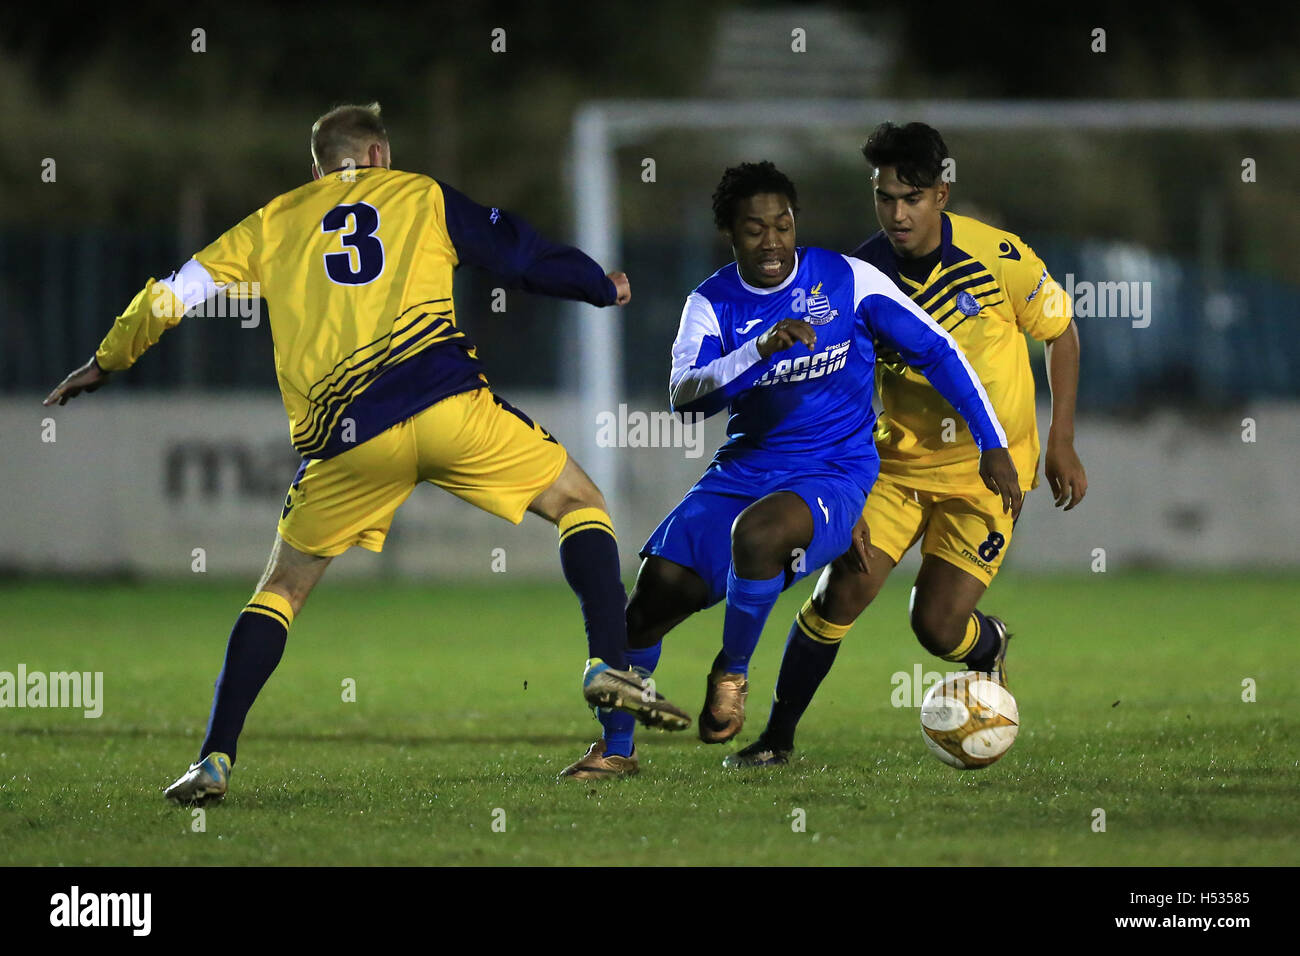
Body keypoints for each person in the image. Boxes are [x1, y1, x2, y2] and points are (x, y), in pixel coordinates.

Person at [43, 102, 690, 804]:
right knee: (578, 502)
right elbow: (521, 256)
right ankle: (606, 660)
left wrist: (106, 360)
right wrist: (600, 285)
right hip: (447, 408)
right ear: (379, 156)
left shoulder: (274, 220)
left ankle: (214, 760)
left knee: (281, 590)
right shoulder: (419, 194)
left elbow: (172, 297)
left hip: (348, 442)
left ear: (317, 168)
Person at [559, 160, 1019, 779]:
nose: (772, 241)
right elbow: (686, 395)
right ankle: (617, 750)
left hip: (835, 472)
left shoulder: (848, 279)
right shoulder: (711, 302)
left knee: (759, 535)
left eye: (783, 224)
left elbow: (940, 350)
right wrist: (758, 349)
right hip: (744, 470)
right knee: (647, 602)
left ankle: (732, 671)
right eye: (755, 230)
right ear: (732, 235)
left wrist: (994, 443)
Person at [728, 122, 1087, 768]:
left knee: (936, 627)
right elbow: (829, 389)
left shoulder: (1000, 259)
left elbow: (1061, 333)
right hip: (895, 467)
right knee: (841, 592)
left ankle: (986, 644)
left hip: (991, 469)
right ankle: (776, 739)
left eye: (911, 197)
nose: (897, 212)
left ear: (941, 196)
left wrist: (1059, 440)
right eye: (884, 196)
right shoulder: (855, 278)